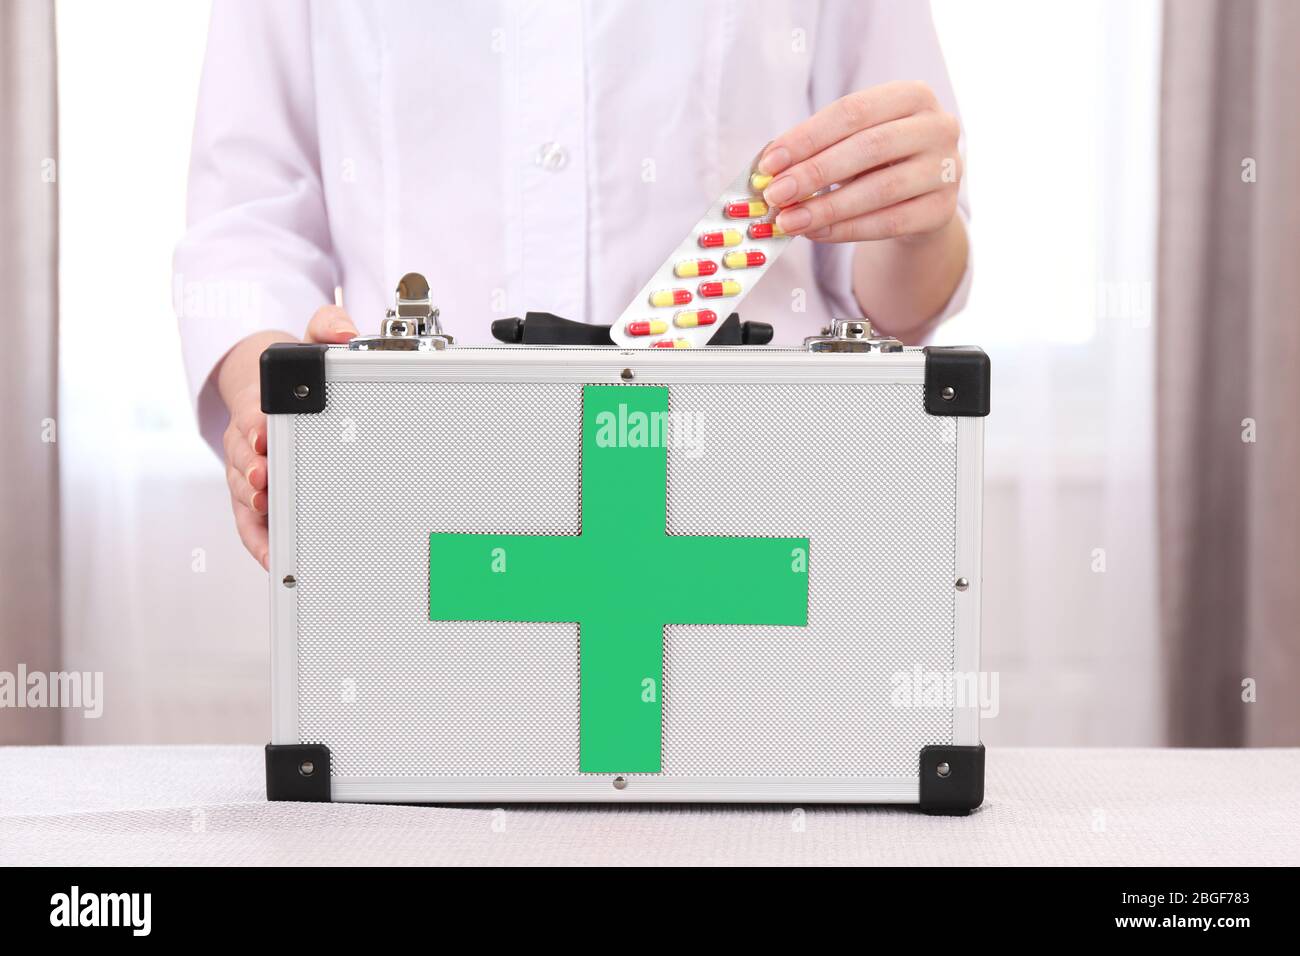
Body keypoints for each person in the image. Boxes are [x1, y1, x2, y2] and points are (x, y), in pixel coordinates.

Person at [175, 0, 971, 569]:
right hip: (419, 506)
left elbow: (887, 298)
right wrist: (267, 410)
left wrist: (920, 216)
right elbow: (248, 223)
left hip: (751, 506)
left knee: (746, 782)